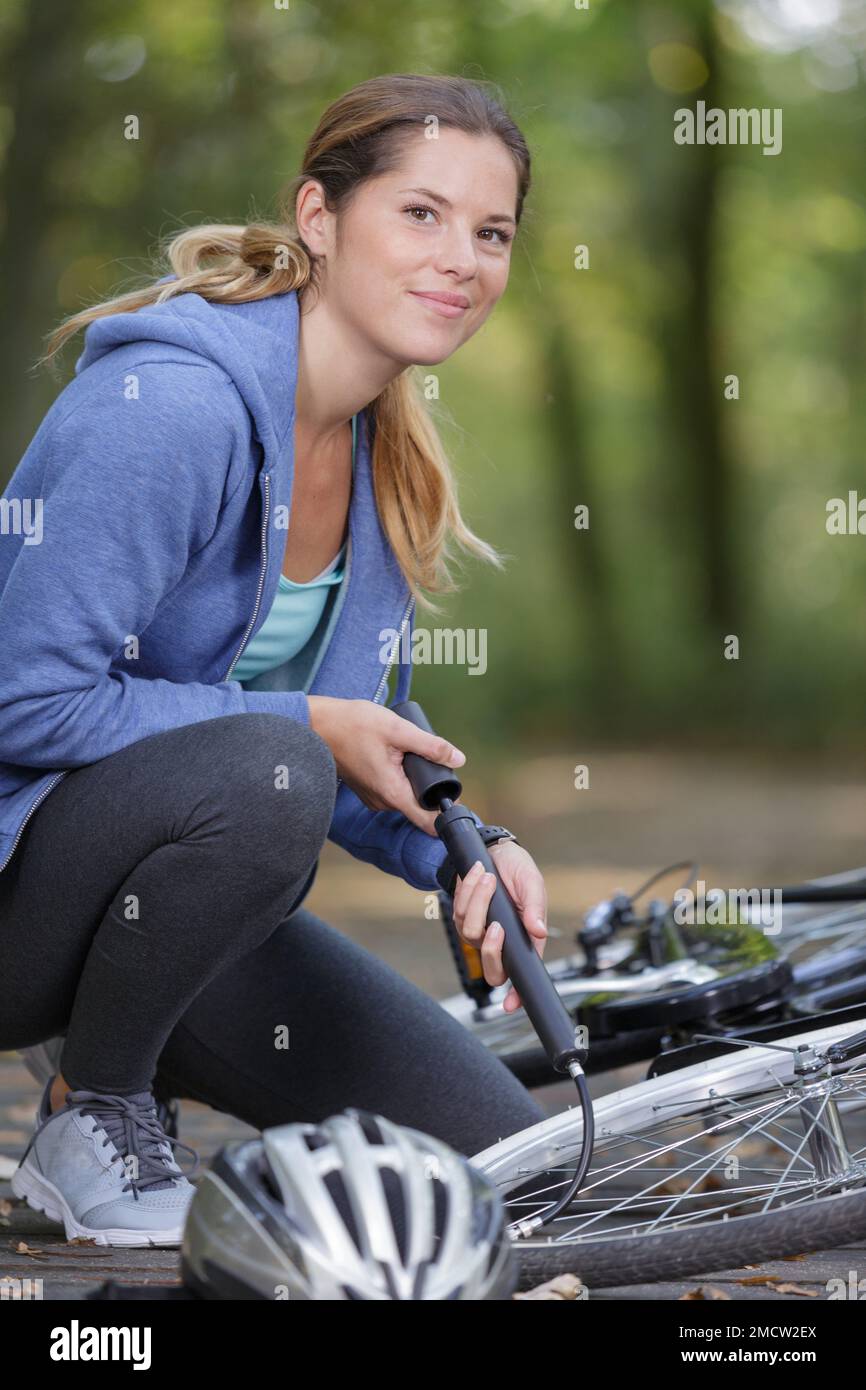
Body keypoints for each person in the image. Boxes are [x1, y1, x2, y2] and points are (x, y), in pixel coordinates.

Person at [0, 71, 549, 1247]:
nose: (462, 256)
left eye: (490, 231)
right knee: (271, 767)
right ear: (317, 216)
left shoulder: (381, 465)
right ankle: (93, 1107)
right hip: (19, 903)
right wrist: (309, 731)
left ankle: (128, 1048)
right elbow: (23, 698)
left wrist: (461, 852)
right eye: (420, 213)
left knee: (511, 1166)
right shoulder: (172, 406)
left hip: (171, 916)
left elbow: (351, 747)